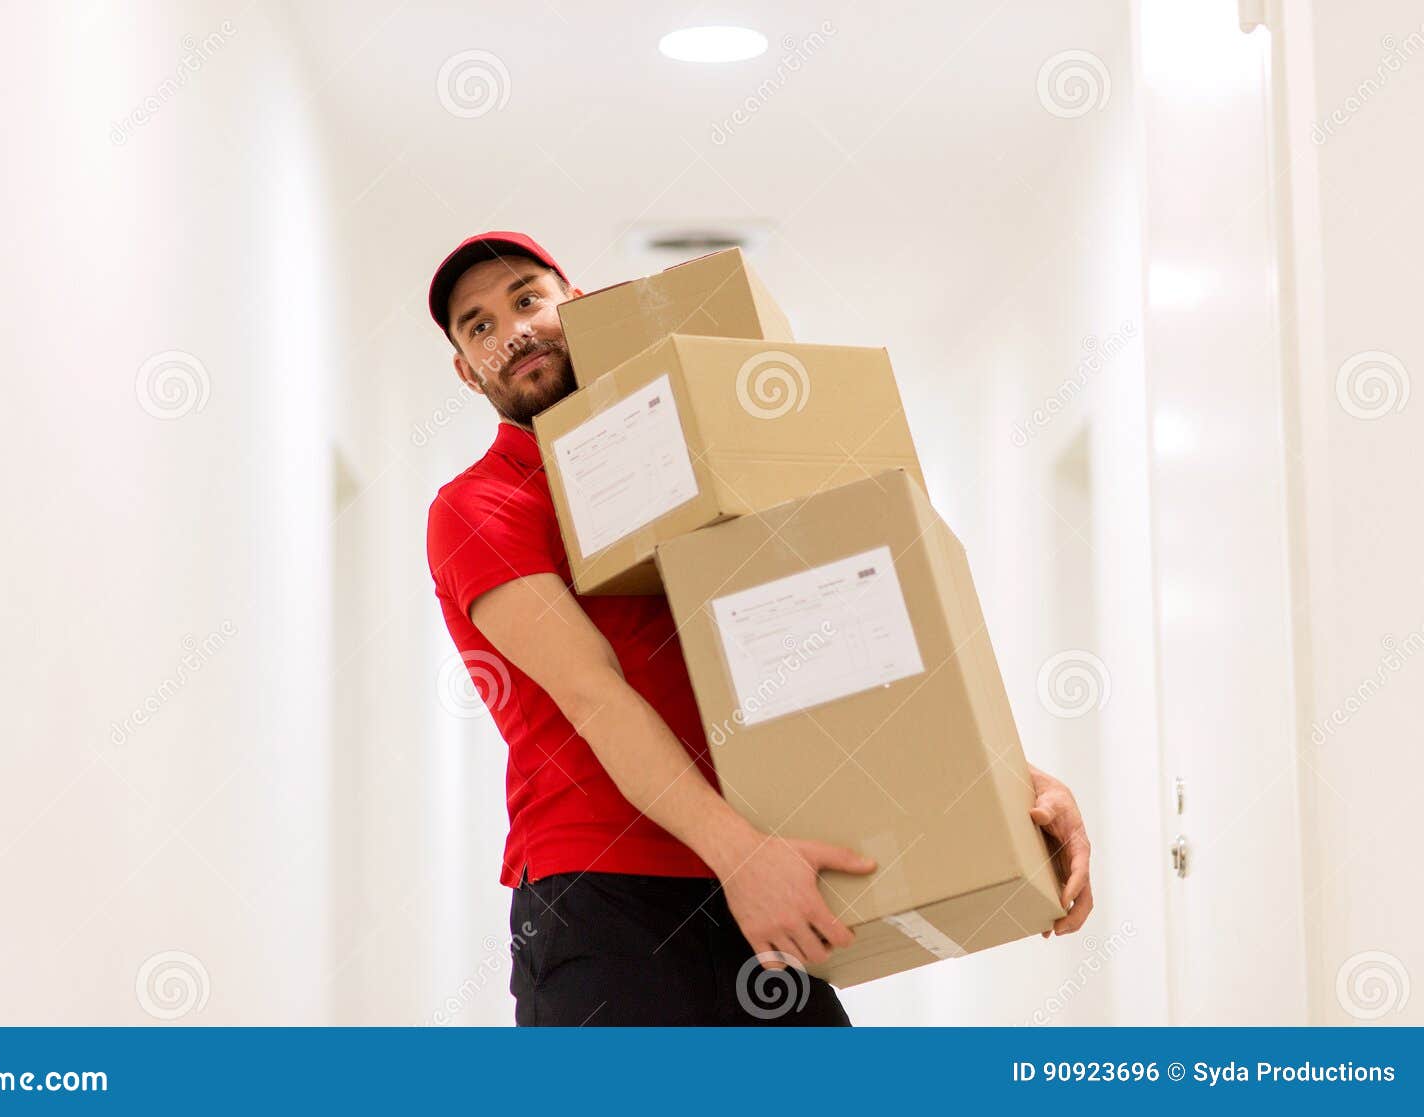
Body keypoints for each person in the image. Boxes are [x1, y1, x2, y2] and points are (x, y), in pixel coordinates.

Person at [424, 231, 1094, 1026]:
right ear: (468, 372)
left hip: (759, 870)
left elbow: (842, 630)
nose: (513, 330)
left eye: (528, 298)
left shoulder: (680, 464)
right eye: (480, 326)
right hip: (608, 897)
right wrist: (740, 857)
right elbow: (591, 691)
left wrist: (1011, 781)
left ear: (577, 305)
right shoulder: (477, 506)